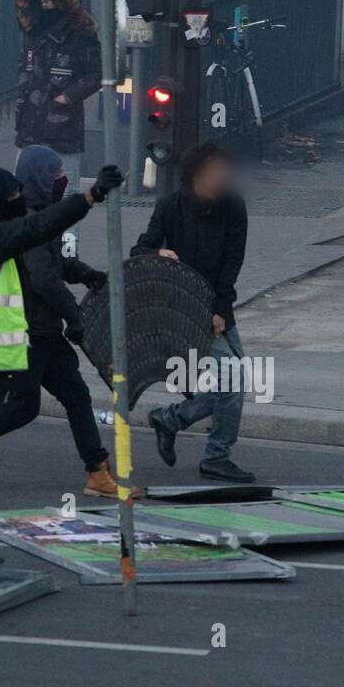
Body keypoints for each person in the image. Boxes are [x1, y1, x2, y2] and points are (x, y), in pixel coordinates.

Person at [0, 164, 125, 587]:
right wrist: (88, 199)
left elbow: (44, 245)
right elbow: (37, 228)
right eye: (14, 193)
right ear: (1, 201)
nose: (20, 198)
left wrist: (83, 270)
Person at [0, 144, 120, 499]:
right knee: (23, 407)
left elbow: (58, 265)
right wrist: (74, 316)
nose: (63, 178)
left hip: (44, 330)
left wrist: (86, 273)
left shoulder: (42, 216)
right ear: (41, 177)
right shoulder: (26, 220)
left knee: (77, 397)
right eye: (57, 172)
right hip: (28, 331)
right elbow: (43, 278)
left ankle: (97, 472)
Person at [133, 141, 254, 484]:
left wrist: (220, 310)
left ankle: (170, 419)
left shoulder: (233, 207)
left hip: (217, 306)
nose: (223, 178)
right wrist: (159, 252)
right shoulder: (171, 206)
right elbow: (140, 248)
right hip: (182, 307)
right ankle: (216, 456)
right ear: (197, 175)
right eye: (216, 172)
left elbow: (233, 263)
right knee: (231, 380)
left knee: (234, 383)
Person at [14, 0, 101, 235]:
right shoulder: (31, 31)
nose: (44, 6)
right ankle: (26, 257)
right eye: (40, 0)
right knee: (22, 195)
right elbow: (24, 67)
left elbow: (96, 73)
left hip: (62, 129)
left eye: (49, 0)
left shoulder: (80, 33)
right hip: (29, 127)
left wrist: (66, 97)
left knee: (66, 197)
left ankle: (65, 256)